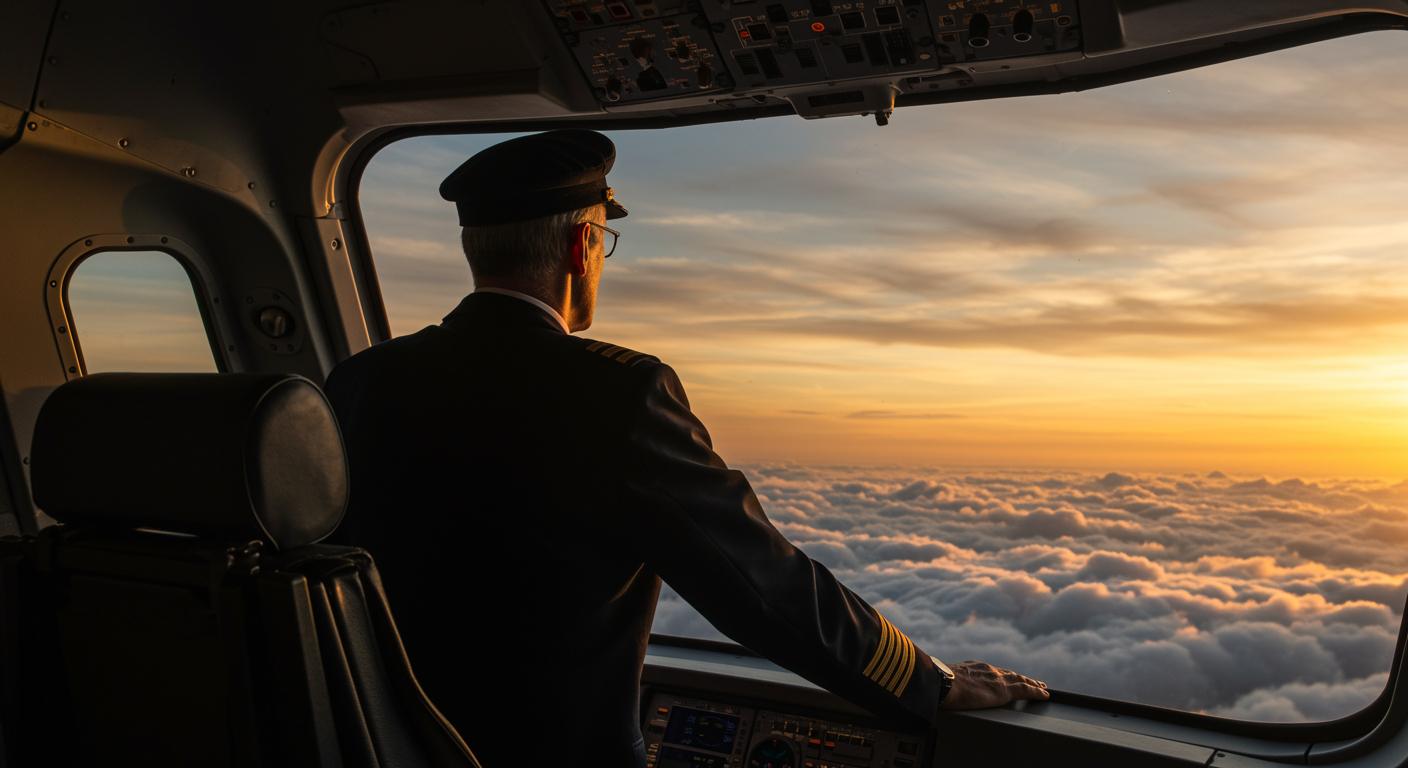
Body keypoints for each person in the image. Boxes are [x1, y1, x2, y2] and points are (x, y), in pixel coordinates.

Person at [324, 130, 1049, 767]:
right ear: (582, 246)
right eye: (603, 239)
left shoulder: (360, 379)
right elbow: (759, 583)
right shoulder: (616, 392)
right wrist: (930, 682)